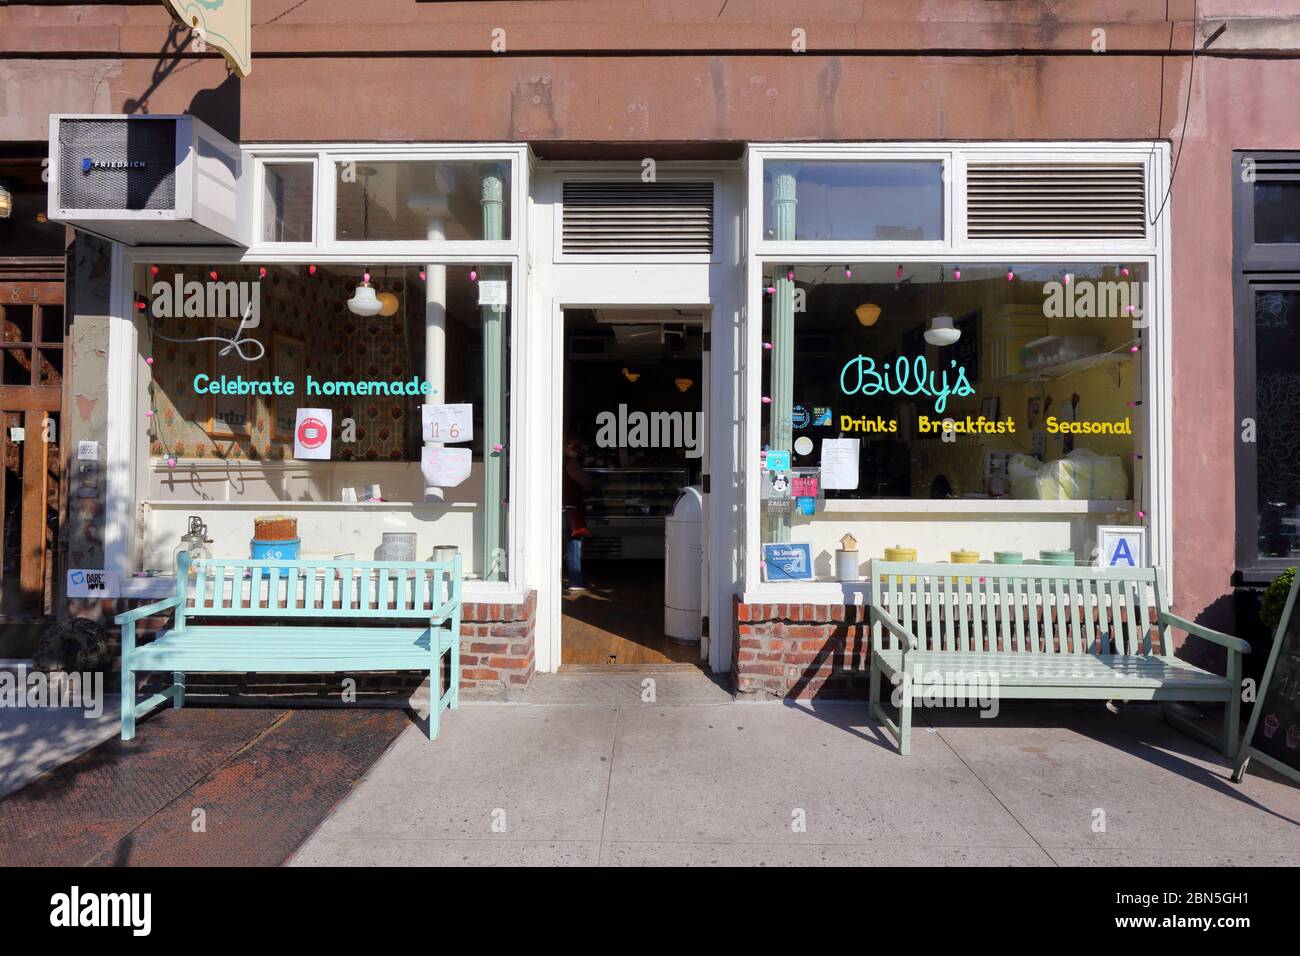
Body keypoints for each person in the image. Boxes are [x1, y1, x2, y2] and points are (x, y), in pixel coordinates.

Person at [562, 434, 593, 592]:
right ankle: (575, 580)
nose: (577, 451)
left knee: (564, 544)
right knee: (574, 544)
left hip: (562, 507)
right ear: (566, 446)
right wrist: (592, 478)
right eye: (574, 447)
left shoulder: (557, 459)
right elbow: (584, 480)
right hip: (571, 509)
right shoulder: (570, 462)